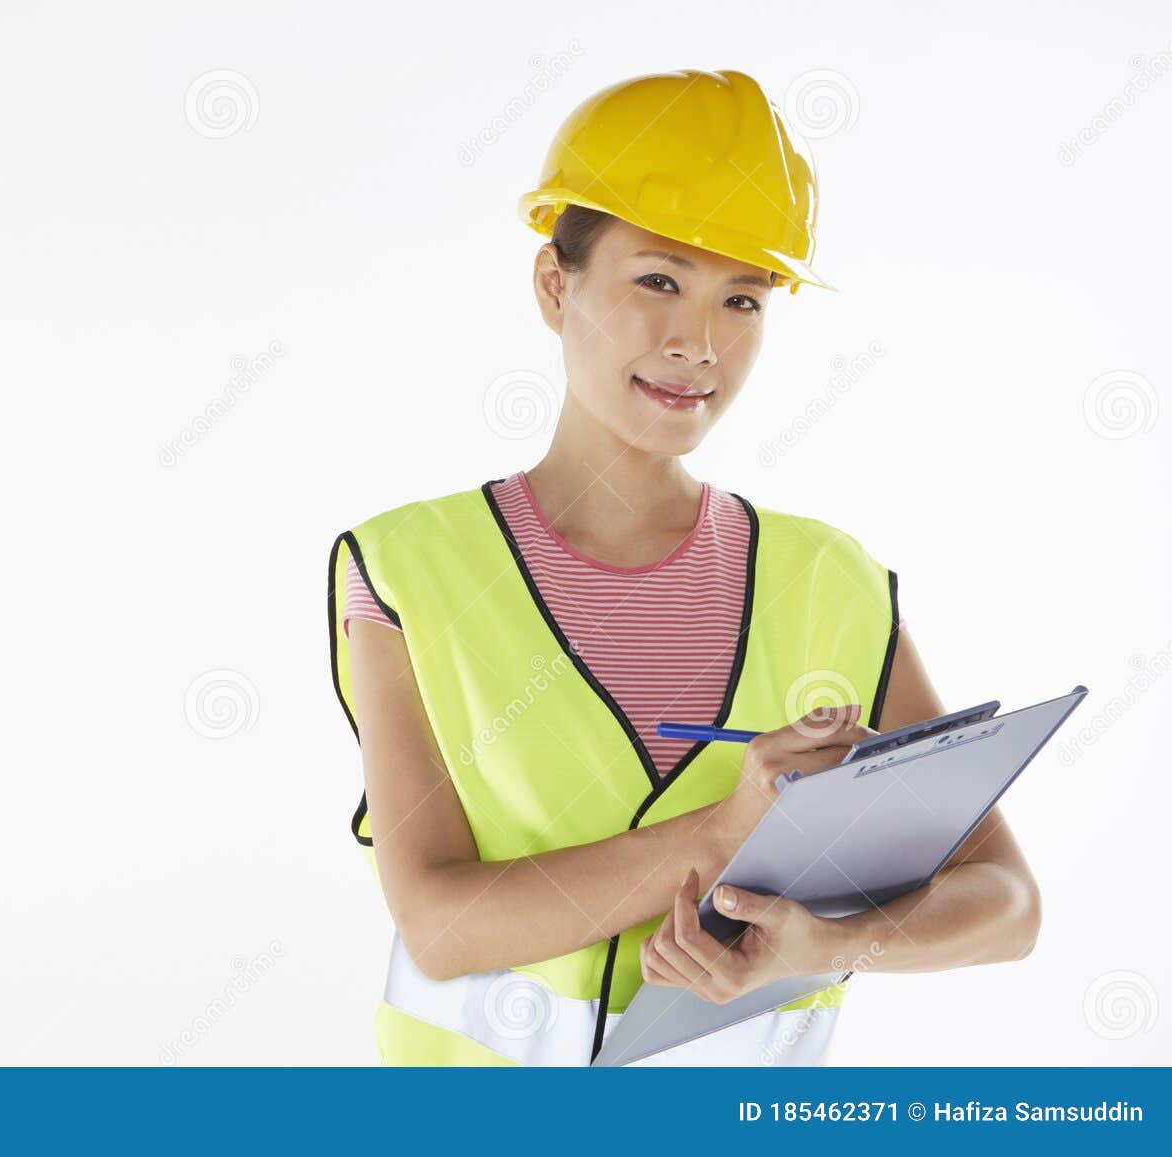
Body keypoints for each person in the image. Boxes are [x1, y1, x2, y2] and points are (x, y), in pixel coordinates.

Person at [325, 69, 1041, 1066]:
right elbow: (440, 925)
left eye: (741, 299)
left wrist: (833, 942)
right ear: (555, 284)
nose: (698, 344)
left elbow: (1006, 902)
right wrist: (725, 829)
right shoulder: (409, 570)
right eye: (658, 280)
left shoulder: (828, 581)